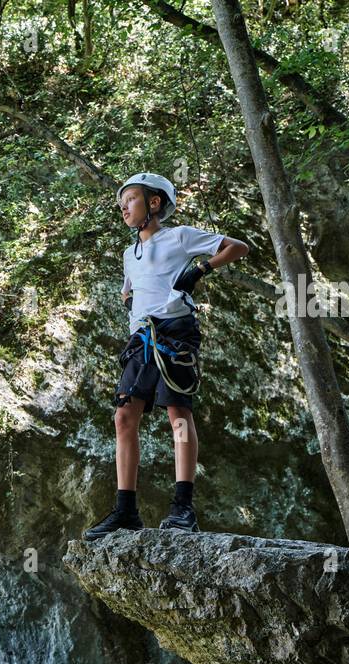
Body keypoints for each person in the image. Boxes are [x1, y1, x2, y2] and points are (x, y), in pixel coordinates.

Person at [83, 172, 249, 540]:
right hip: (141, 338)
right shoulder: (130, 253)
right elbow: (129, 290)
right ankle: (126, 510)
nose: (123, 207)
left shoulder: (180, 236)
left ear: (154, 203)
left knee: (178, 415)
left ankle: (183, 509)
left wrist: (200, 269)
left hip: (176, 331)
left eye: (131, 199)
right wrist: (133, 306)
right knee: (125, 416)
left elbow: (238, 246)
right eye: (121, 203)